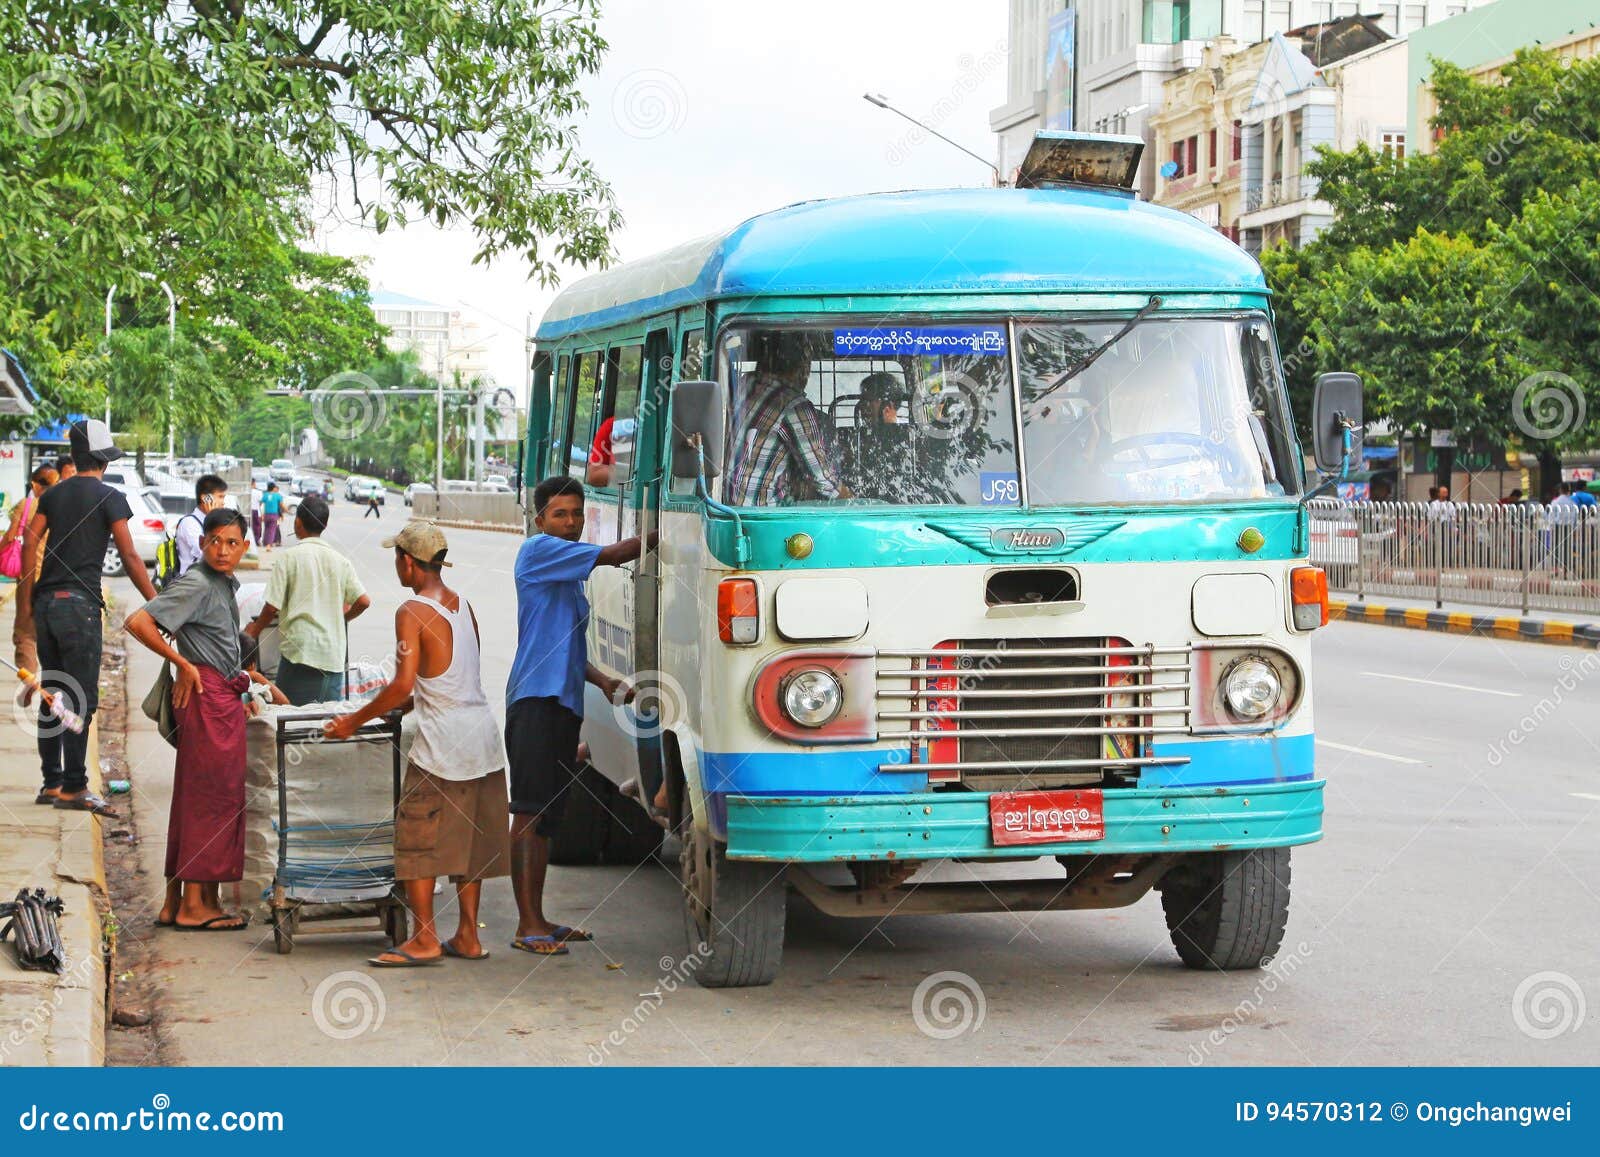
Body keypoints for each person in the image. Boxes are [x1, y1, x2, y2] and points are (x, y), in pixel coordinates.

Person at [325, 521, 511, 967]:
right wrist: (404, 706)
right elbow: (449, 678)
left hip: (443, 745)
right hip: (482, 738)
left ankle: (425, 938)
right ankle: (468, 935)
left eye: (397, 559)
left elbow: (402, 683)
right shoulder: (464, 606)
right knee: (469, 841)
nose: (397, 566)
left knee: (419, 837)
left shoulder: (410, 610)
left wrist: (352, 721)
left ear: (408, 561)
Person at [504, 476, 652, 955]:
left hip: (562, 701)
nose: (569, 523)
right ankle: (527, 925)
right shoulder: (539, 551)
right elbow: (611, 556)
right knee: (529, 813)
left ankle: (539, 917)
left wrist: (602, 681)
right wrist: (664, 532)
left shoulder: (565, 573)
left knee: (547, 817)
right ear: (539, 519)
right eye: (560, 514)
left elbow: (562, 645)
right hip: (535, 702)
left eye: (576, 514)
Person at [125, 508, 254, 932]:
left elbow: (213, 639)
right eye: (215, 540)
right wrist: (183, 662)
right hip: (207, 699)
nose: (222, 549)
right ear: (201, 544)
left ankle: (178, 901)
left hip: (220, 693)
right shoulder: (198, 582)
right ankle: (195, 907)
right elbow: (139, 621)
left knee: (201, 793)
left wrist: (245, 679)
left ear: (244, 548)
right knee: (210, 796)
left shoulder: (220, 584)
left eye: (232, 543)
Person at [19, 420, 156, 815]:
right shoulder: (110, 497)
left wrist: (29, 595)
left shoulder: (55, 494)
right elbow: (130, 556)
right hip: (79, 607)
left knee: (55, 691)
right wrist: (156, 602)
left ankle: (51, 782)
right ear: (103, 459)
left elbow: (30, 538)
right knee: (80, 698)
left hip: (47, 603)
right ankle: (75, 788)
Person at [243, 495, 370, 704]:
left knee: (288, 715)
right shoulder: (341, 561)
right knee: (325, 721)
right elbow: (363, 601)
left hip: (299, 655)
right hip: (333, 657)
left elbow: (272, 606)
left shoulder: (288, 557)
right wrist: (342, 618)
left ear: (298, 522)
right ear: (325, 525)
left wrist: (253, 632)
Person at [725, 334, 847, 505]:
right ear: (802, 368)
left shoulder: (740, 387)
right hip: (763, 512)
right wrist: (852, 498)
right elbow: (822, 479)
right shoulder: (794, 405)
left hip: (724, 506)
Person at [175, 474, 229, 576]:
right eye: (220, 497)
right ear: (206, 498)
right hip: (191, 585)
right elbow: (208, 554)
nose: (223, 502)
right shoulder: (189, 523)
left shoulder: (211, 522)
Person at [260, 481, 284, 552]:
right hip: (274, 515)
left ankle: (265, 542)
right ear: (273, 488)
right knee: (272, 530)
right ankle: (268, 546)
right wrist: (287, 510)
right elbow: (281, 505)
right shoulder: (277, 495)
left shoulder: (265, 495)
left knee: (267, 528)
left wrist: (261, 514)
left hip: (266, 514)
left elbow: (261, 503)